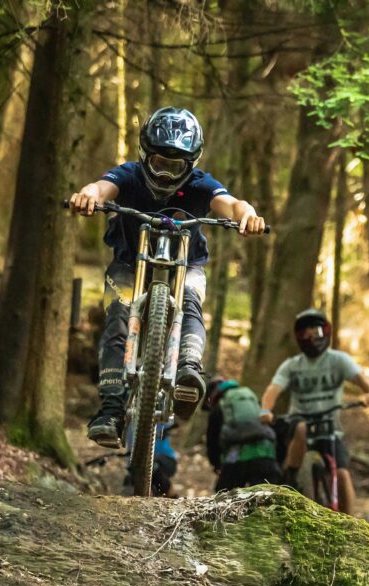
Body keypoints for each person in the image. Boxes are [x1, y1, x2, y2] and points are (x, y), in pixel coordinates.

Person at [68, 106, 266, 448]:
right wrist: (89, 196)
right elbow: (101, 187)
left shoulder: (200, 184)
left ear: (191, 164)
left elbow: (232, 204)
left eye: (175, 167)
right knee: (117, 314)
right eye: (159, 163)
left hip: (186, 266)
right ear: (145, 155)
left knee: (190, 301)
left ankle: (189, 368)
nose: (165, 174)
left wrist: (247, 214)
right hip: (129, 264)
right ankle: (111, 408)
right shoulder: (129, 175)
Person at [259, 309, 369, 515]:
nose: (311, 338)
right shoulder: (292, 365)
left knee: (342, 474)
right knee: (301, 428)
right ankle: (290, 477)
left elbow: (364, 382)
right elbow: (273, 390)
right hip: (299, 420)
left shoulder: (339, 360)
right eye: (305, 333)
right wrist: (265, 410)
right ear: (298, 336)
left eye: (316, 332)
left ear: (326, 331)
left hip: (331, 426)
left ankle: (350, 521)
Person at [204, 378, 282, 491]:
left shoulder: (220, 405)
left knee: (223, 495)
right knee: (266, 496)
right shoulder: (250, 397)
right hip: (265, 453)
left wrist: (217, 465)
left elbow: (212, 443)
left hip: (236, 457)